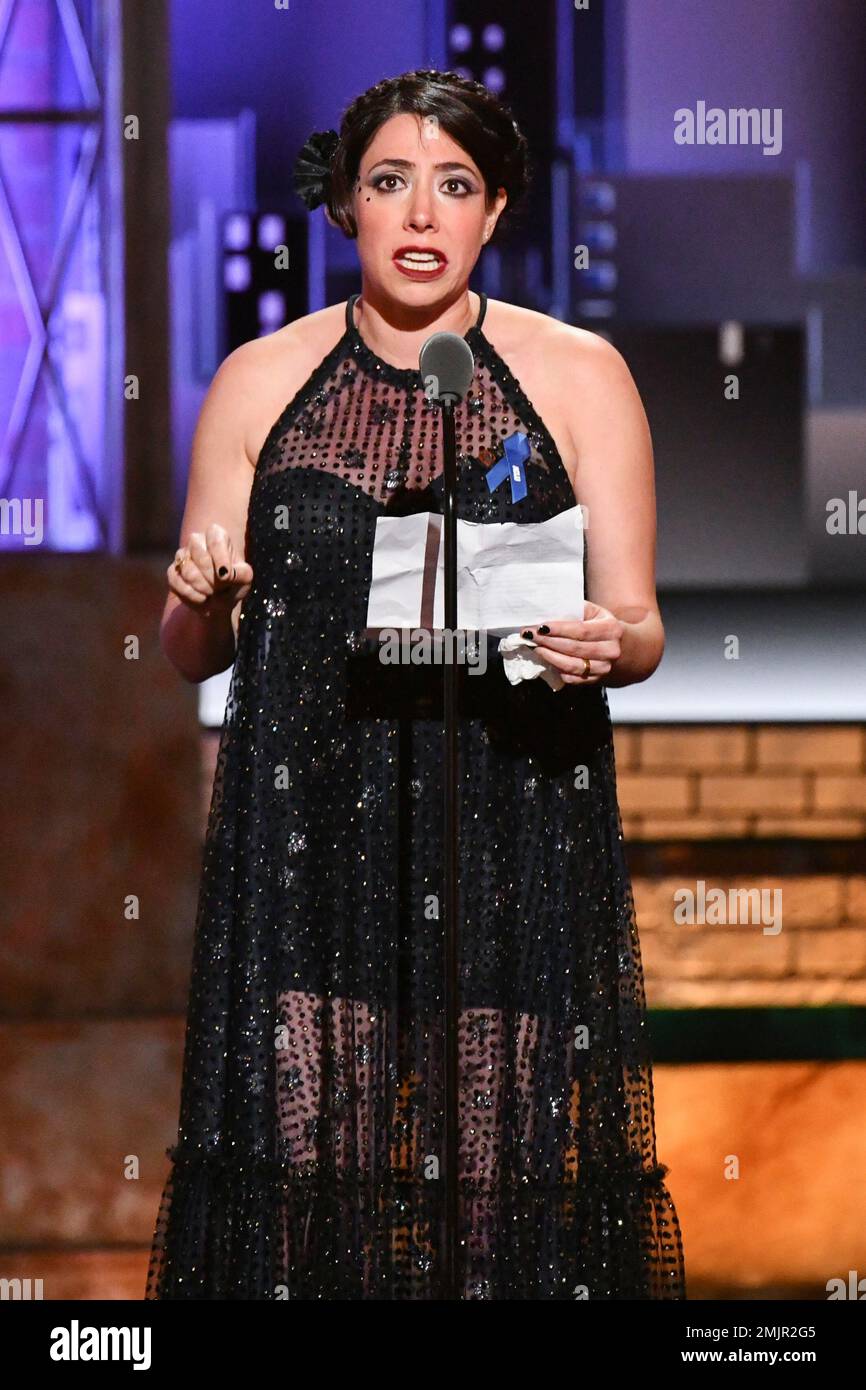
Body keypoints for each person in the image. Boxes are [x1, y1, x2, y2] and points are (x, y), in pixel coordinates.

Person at [146, 68, 686, 1300]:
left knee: (493, 1222)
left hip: (504, 828)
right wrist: (204, 596)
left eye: (453, 185)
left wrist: (612, 643)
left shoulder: (577, 374)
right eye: (391, 182)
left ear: (495, 210)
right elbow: (188, 648)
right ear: (346, 204)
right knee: (307, 1209)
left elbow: (643, 626)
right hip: (311, 841)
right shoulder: (258, 380)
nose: (421, 213)